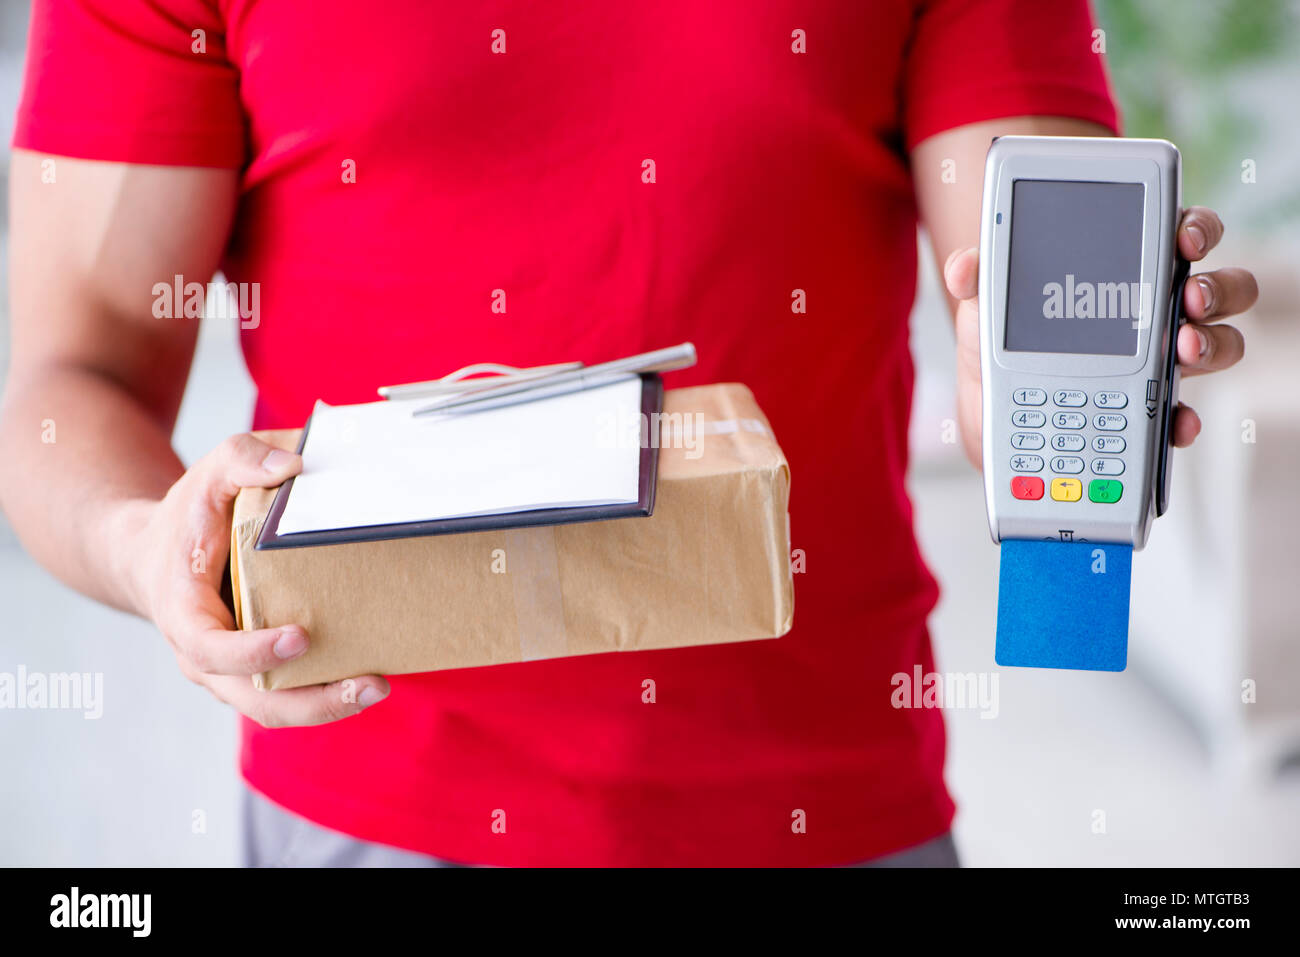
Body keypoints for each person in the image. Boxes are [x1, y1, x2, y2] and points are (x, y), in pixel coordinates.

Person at [1, 0, 1252, 867]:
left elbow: (1019, 255)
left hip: (824, 804)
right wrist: (141, 544)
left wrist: (1031, 390)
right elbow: (72, 377)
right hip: (371, 805)